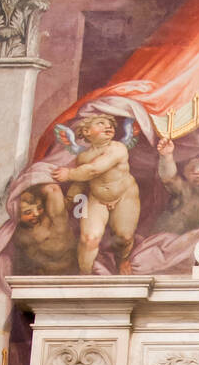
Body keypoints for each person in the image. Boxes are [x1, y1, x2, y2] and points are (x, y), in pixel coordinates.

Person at [51, 113, 140, 275]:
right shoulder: (83, 156)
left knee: (125, 237)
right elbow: (81, 182)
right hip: (97, 198)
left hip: (124, 196)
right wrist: (69, 201)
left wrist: (68, 174)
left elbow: (94, 169)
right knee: (89, 239)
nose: (108, 127)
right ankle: (84, 274)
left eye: (111, 125)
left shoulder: (117, 148)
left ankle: (123, 259)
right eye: (100, 123)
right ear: (86, 132)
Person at [13, 183, 78, 275]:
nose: (36, 214)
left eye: (39, 208)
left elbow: (53, 189)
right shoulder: (19, 234)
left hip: (69, 273)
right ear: (16, 216)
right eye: (28, 212)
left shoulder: (55, 221)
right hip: (38, 279)